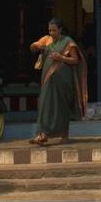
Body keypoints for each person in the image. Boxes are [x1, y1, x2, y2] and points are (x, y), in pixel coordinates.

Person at [28, 18, 87, 146]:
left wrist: (61, 57)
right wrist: (37, 46)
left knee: (62, 108)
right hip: (48, 80)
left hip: (63, 81)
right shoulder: (47, 40)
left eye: (54, 30)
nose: (51, 32)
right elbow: (32, 47)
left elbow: (76, 60)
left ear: (60, 29)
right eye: (50, 30)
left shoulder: (68, 42)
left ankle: (64, 136)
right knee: (45, 105)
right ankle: (42, 134)